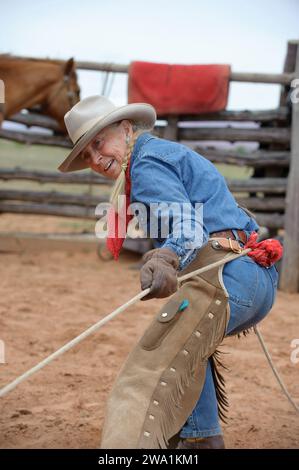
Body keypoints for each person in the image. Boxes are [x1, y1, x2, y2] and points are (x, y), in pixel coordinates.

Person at [58, 95, 280, 449]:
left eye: (98, 143)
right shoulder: (161, 154)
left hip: (228, 278)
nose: (96, 159)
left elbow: (189, 228)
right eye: (86, 155)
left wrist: (165, 258)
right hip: (253, 276)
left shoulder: (145, 164)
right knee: (188, 346)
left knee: (149, 366)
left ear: (126, 129)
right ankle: (200, 436)